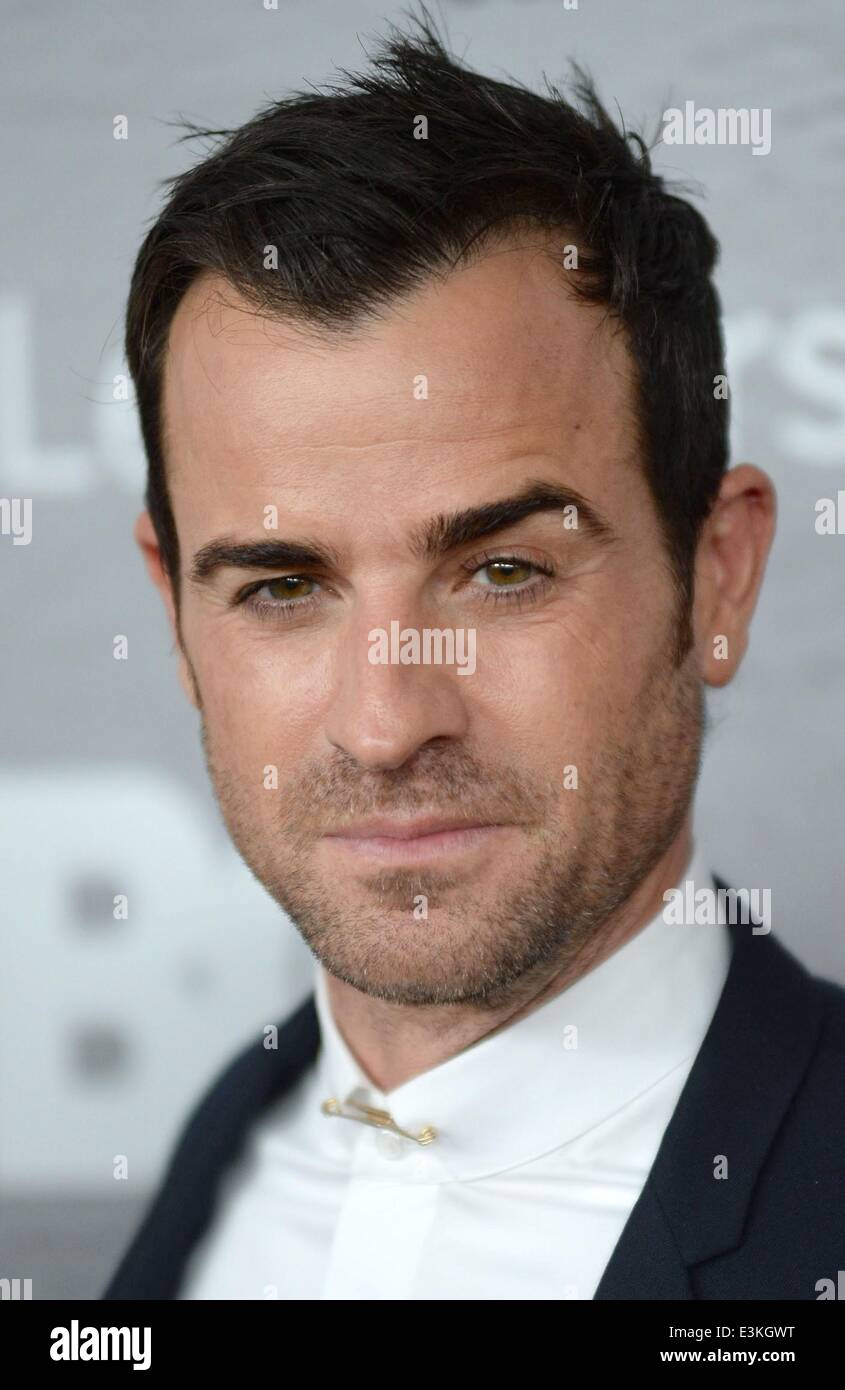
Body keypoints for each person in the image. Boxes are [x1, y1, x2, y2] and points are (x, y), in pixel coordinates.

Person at [103, 12, 844, 1300]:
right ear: (176, 614)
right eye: (283, 587)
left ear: (716, 573)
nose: (386, 723)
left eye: (504, 572)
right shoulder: (226, 1149)